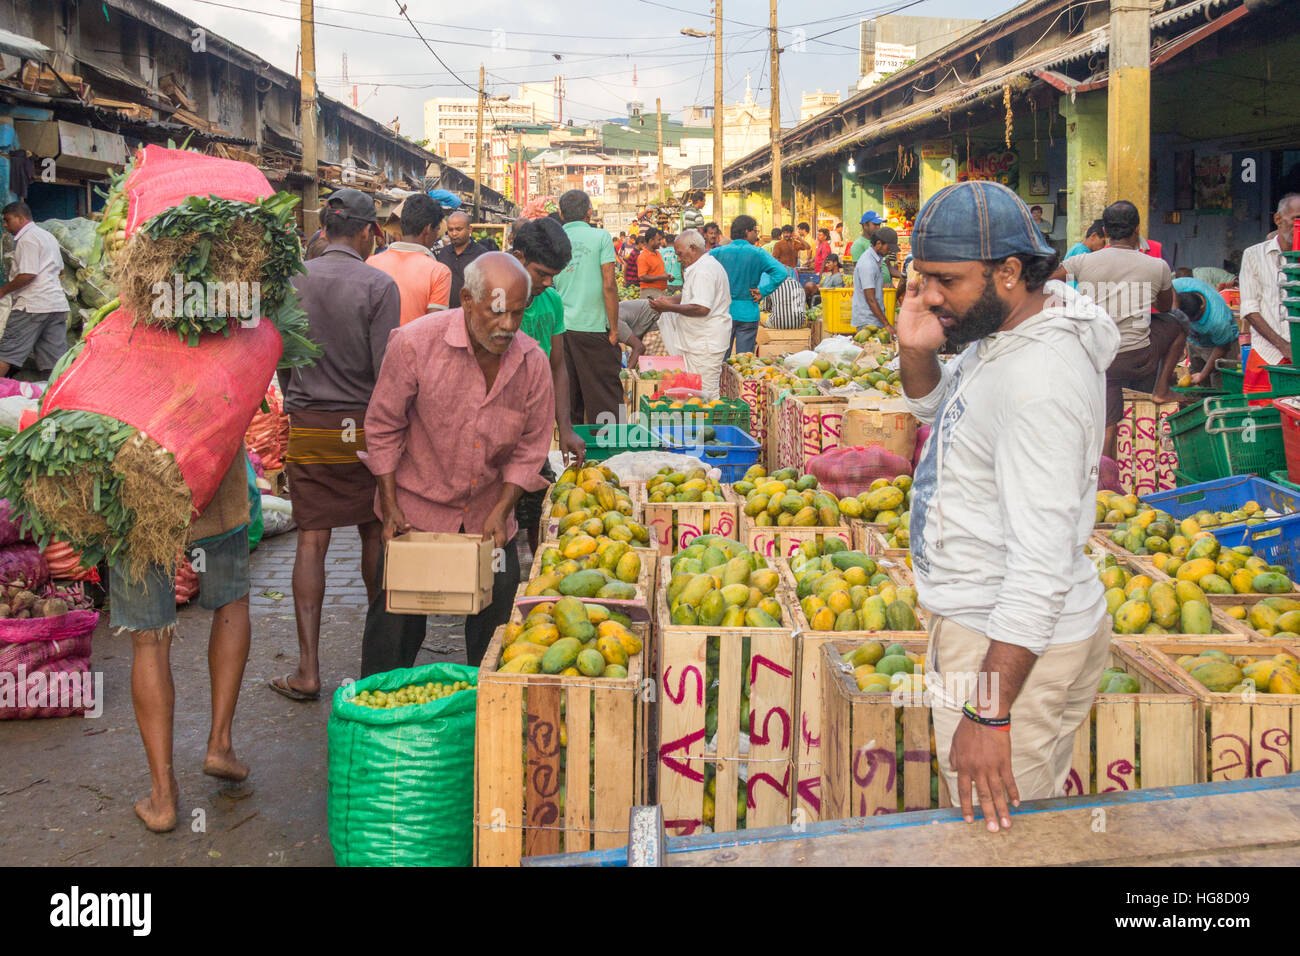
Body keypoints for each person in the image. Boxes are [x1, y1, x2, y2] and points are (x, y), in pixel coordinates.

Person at [898, 179, 1118, 832]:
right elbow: (941, 409)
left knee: (1000, 843)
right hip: (992, 631)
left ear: (1010, 272)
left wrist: (989, 712)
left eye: (947, 280)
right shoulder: (1005, 330)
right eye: (922, 278)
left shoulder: (1040, 382)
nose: (931, 294)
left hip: (1009, 647)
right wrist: (915, 348)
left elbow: (1041, 563)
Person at [360, 254, 553, 673]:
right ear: (467, 300)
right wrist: (389, 503)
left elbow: (531, 448)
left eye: (517, 314)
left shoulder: (532, 362)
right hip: (415, 513)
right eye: (497, 312)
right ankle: (378, 723)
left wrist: (503, 509)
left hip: (489, 519)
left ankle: (483, 721)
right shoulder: (414, 343)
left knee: (496, 637)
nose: (507, 326)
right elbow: (382, 427)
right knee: (394, 634)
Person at [272, 188, 400, 701]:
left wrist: (297, 399)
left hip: (310, 423)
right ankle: (378, 664)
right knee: (374, 531)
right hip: (365, 427)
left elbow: (279, 358)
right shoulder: (378, 284)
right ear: (368, 232)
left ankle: (307, 670)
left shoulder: (289, 282)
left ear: (325, 228)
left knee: (312, 538)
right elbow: (387, 371)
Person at [115, 452, 255, 832]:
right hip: (211, 474)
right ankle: (220, 744)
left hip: (135, 485)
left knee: (149, 640)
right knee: (231, 601)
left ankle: (162, 796)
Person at [1058, 200, 1175, 457]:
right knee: (1178, 323)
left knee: (1108, 425)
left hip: (1098, 359)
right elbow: (1166, 308)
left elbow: (1047, 282)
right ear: (1136, 230)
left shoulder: (1081, 262)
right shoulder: (1157, 266)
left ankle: (1102, 488)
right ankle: (1162, 388)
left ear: (1106, 233)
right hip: (1139, 357)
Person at [511, 217, 585, 556]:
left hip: (533, 429)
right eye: (541, 272)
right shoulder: (490, 300)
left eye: (553, 275)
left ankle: (538, 569)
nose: (548, 281)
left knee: (536, 510)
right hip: (492, 428)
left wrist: (565, 427)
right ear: (518, 256)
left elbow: (558, 366)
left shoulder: (550, 301)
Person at [553, 189, 622, 425]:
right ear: (589, 213)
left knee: (569, 397)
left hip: (561, 329)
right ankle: (609, 454)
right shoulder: (601, 237)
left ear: (561, 213)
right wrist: (614, 329)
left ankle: (572, 455)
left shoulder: (554, 237)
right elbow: (609, 284)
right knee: (606, 400)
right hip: (594, 328)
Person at [649, 229, 732, 399]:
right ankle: (701, 424)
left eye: (680, 254)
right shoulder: (700, 267)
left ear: (693, 248)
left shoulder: (704, 270)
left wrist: (668, 308)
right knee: (697, 392)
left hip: (705, 344)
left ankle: (710, 425)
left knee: (706, 394)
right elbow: (691, 297)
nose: (679, 259)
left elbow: (701, 308)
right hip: (699, 342)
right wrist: (671, 301)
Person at [1240, 194, 1300, 396]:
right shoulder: (1253, 255)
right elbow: (1250, 309)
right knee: (1261, 418)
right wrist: (1284, 346)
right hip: (1266, 355)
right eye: (1296, 219)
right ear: (1278, 219)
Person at [0, 202, 69, 377]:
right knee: (54, 362)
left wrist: (3, 291)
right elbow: (60, 270)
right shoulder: (47, 236)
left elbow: (28, 274)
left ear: (21, 218)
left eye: (7, 220)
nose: (5, 225)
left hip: (31, 307)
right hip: (56, 306)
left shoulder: (27, 239)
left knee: (6, 353)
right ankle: (53, 398)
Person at [366, 194, 451, 326]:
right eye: (437, 230)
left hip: (377, 346)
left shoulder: (370, 263)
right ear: (428, 229)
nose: (437, 235)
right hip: (414, 346)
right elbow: (433, 328)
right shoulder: (439, 272)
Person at [710, 215, 788, 357]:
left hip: (722, 312)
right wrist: (763, 291)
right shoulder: (758, 253)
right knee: (744, 362)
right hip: (748, 312)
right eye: (755, 231)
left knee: (719, 360)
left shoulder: (717, 253)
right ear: (747, 231)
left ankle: (720, 380)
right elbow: (782, 272)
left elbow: (698, 268)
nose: (756, 235)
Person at [1170, 276, 1237, 389]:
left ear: (1200, 312)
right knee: (1196, 383)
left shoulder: (1218, 321)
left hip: (1218, 346)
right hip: (1194, 342)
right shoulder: (1178, 286)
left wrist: (1203, 374)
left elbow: (1222, 348)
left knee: (1219, 386)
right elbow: (1162, 290)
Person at [436, 210, 488, 307]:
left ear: (470, 229)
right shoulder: (443, 253)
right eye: (450, 230)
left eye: (458, 229)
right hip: (446, 313)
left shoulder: (482, 255)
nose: (454, 234)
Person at [852, 225, 899, 330]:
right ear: (878, 244)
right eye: (889, 248)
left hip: (873, 319)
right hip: (868, 321)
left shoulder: (876, 260)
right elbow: (870, 299)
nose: (890, 251)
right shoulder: (868, 263)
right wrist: (887, 324)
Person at [618, 298, 659, 368]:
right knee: (634, 358)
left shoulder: (614, 323)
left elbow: (640, 347)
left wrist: (629, 372)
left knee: (649, 365)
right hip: (642, 321)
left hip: (656, 317)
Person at [636, 227, 670, 299]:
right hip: (650, 292)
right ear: (651, 240)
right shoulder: (643, 256)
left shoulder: (657, 253)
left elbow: (657, 272)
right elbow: (642, 277)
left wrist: (667, 277)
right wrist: (660, 277)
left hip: (659, 291)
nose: (660, 242)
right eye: (659, 240)